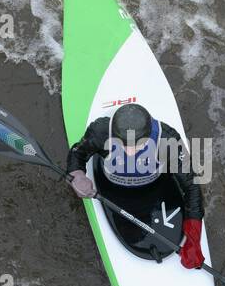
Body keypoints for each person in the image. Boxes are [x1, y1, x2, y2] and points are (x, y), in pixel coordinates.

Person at [66, 102, 205, 268]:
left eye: (138, 145)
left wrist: (194, 238)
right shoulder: (100, 131)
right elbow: (78, 153)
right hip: (113, 191)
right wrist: (77, 174)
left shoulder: (168, 140)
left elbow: (192, 186)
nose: (129, 152)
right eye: (123, 144)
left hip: (154, 191)